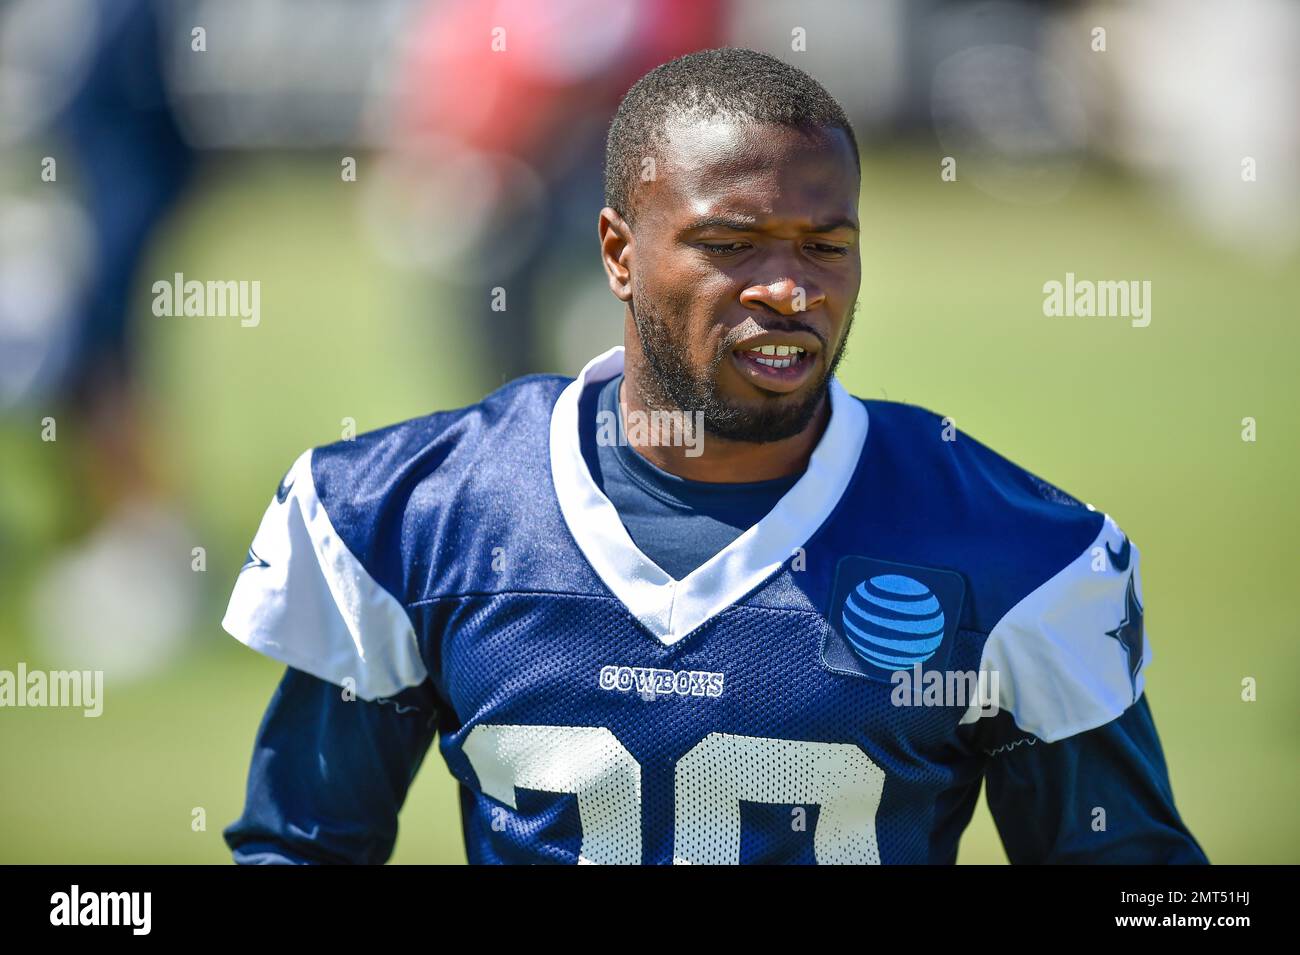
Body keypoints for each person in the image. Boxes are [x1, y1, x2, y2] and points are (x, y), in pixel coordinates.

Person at [223, 48, 1206, 864]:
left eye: (823, 246)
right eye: (732, 243)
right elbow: (303, 848)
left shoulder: (1006, 548)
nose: (787, 288)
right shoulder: (417, 516)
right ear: (618, 252)